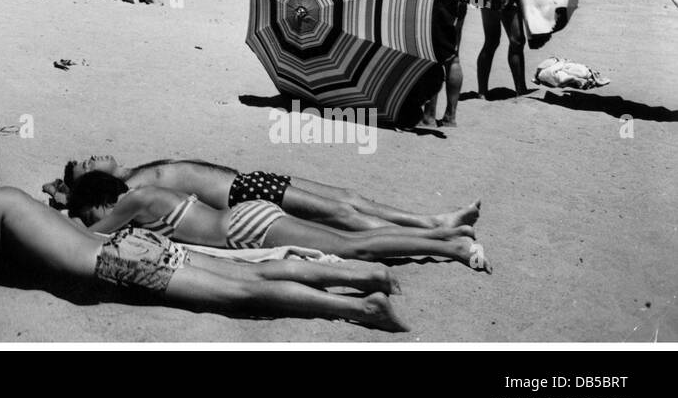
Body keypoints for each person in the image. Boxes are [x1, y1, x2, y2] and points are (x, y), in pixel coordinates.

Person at [0, 152, 409, 332]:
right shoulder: (14, 200)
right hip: (130, 246)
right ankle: (363, 274)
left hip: (116, 264)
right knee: (246, 274)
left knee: (241, 293)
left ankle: (360, 309)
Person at [66, 172, 490, 270]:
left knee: (352, 246)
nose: (96, 218)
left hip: (244, 228)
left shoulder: (134, 199)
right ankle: (443, 233)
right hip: (247, 220)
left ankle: (450, 246)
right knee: (345, 237)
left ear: (101, 201)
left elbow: (84, 236)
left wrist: (66, 212)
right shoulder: (147, 197)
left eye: (92, 209)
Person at [56, 155, 481, 233]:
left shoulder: (136, 171)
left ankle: (428, 219)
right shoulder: (132, 190)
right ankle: (433, 228)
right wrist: (64, 197)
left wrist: (60, 190)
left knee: (346, 196)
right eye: (87, 164)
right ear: (92, 184)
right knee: (340, 215)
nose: (94, 154)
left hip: (250, 179)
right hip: (243, 194)